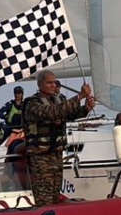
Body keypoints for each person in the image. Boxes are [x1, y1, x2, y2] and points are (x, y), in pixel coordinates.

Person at [22, 70, 94, 206]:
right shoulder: (32, 104)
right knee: (44, 195)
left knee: (55, 193)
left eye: (55, 83)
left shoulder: (59, 100)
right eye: (49, 83)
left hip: (56, 154)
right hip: (41, 157)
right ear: (40, 85)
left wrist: (86, 108)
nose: (53, 85)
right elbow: (51, 112)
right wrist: (79, 97)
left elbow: (70, 114)